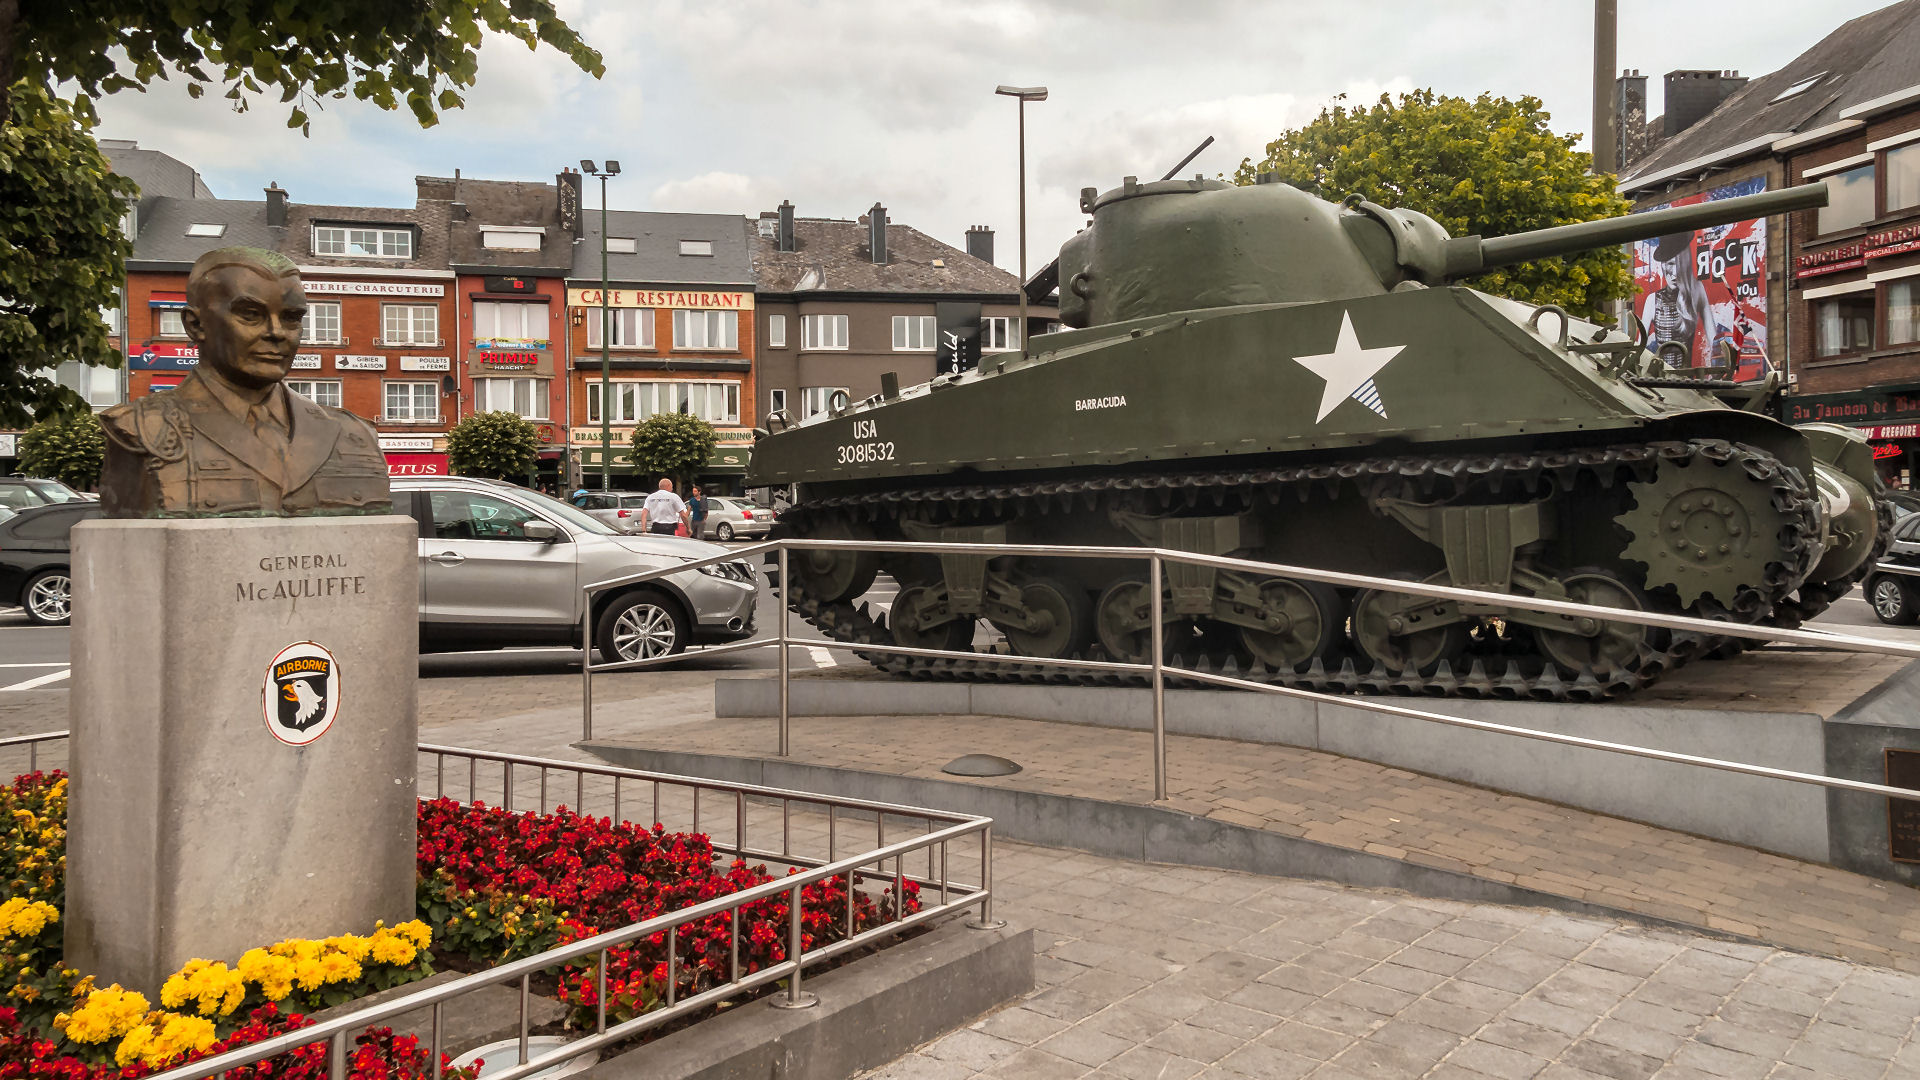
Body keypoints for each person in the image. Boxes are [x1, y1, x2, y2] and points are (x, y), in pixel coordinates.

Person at [96, 246, 390, 517]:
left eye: (291, 318)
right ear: (195, 325)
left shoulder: (355, 435)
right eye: (251, 315)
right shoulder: (139, 430)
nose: (277, 333)